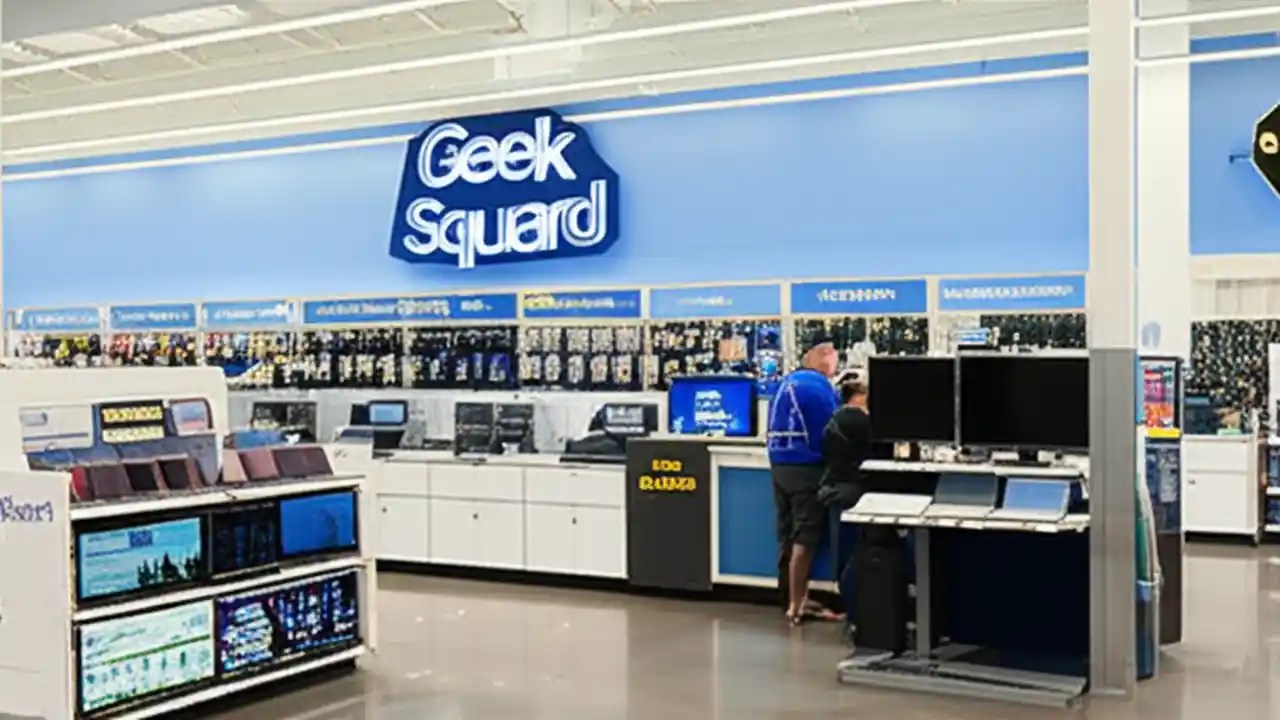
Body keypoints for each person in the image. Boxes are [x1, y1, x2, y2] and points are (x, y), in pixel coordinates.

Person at [767, 341, 841, 626]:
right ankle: (797, 606)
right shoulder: (820, 388)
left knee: (787, 534)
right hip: (806, 468)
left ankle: (788, 596)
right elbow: (831, 431)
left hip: (779, 465)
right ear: (823, 360)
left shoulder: (787, 383)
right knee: (805, 537)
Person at [819, 378, 872, 509]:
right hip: (853, 487)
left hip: (831, 485)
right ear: (857, 397)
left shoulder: (835, 418)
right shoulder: (859, 420)